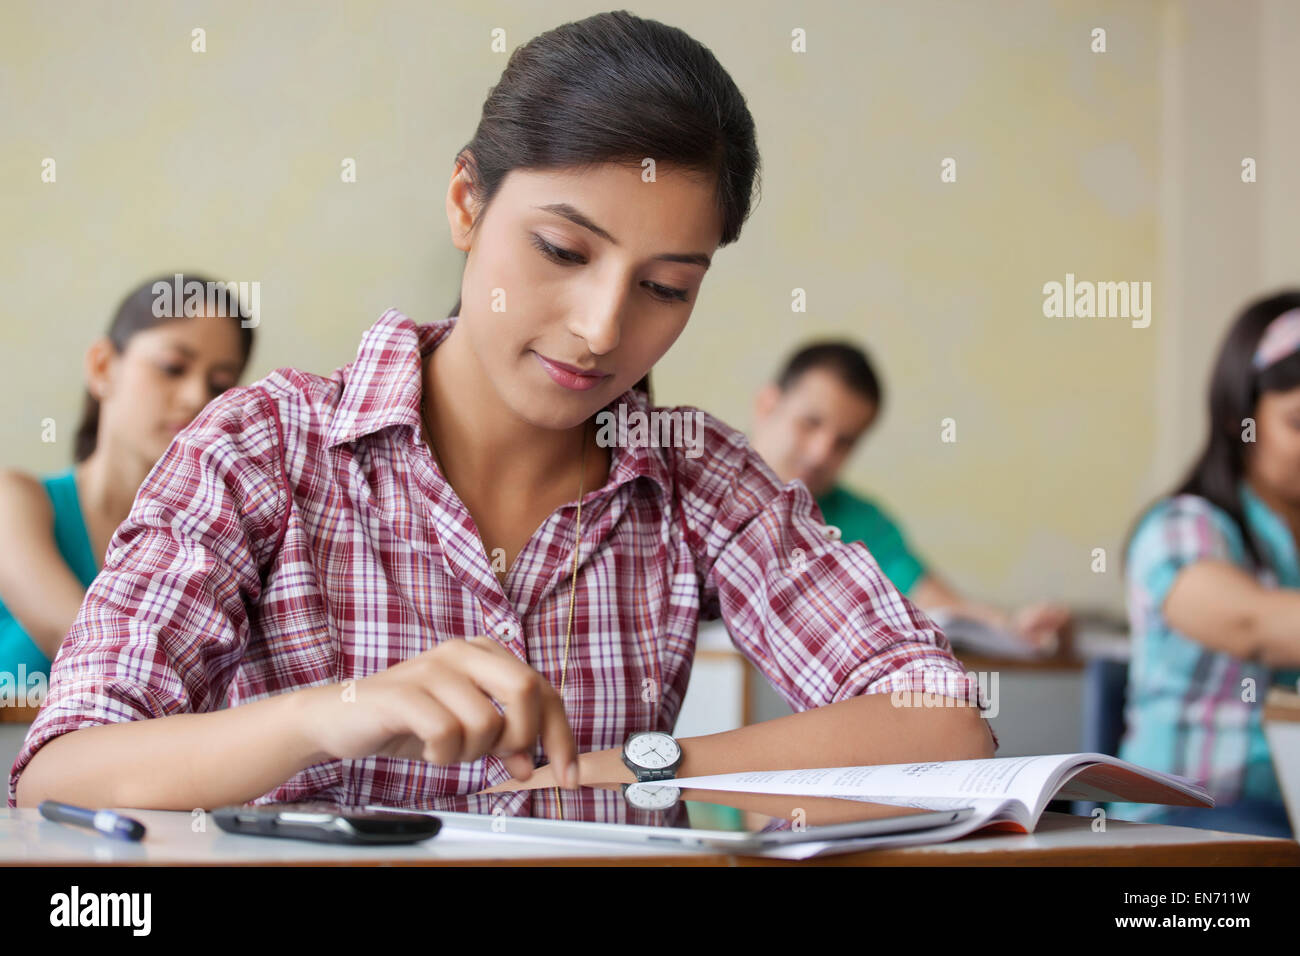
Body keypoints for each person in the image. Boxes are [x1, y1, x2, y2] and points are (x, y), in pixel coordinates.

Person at [11, 11, 993, 815]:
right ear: (465, 202)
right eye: (564, 252)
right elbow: (64, 765)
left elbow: (942, 718)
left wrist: (638, 764)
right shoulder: (260, 446)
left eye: (664, 287)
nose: (601, 328)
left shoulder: (695, 470)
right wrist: (330, 712)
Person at [1107, 290, 1300, 839]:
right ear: (1243, 418)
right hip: (1186, 818)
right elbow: (1252, 625)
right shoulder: (1182, 527)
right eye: (1299, 423)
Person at [0, 274, 255, 689]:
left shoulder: (219, 543)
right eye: (173, 367)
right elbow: (89, 650)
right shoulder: (15, 501)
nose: (195, 397)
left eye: (219, 384)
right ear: (102, 366)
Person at [749, 341, 1072, 651]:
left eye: (844, 442)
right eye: (811, 423)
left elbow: (933, 600)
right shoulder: (703, 488)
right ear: (767, 403)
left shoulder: (864, 521)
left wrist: (1010, 627)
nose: (821, 453)